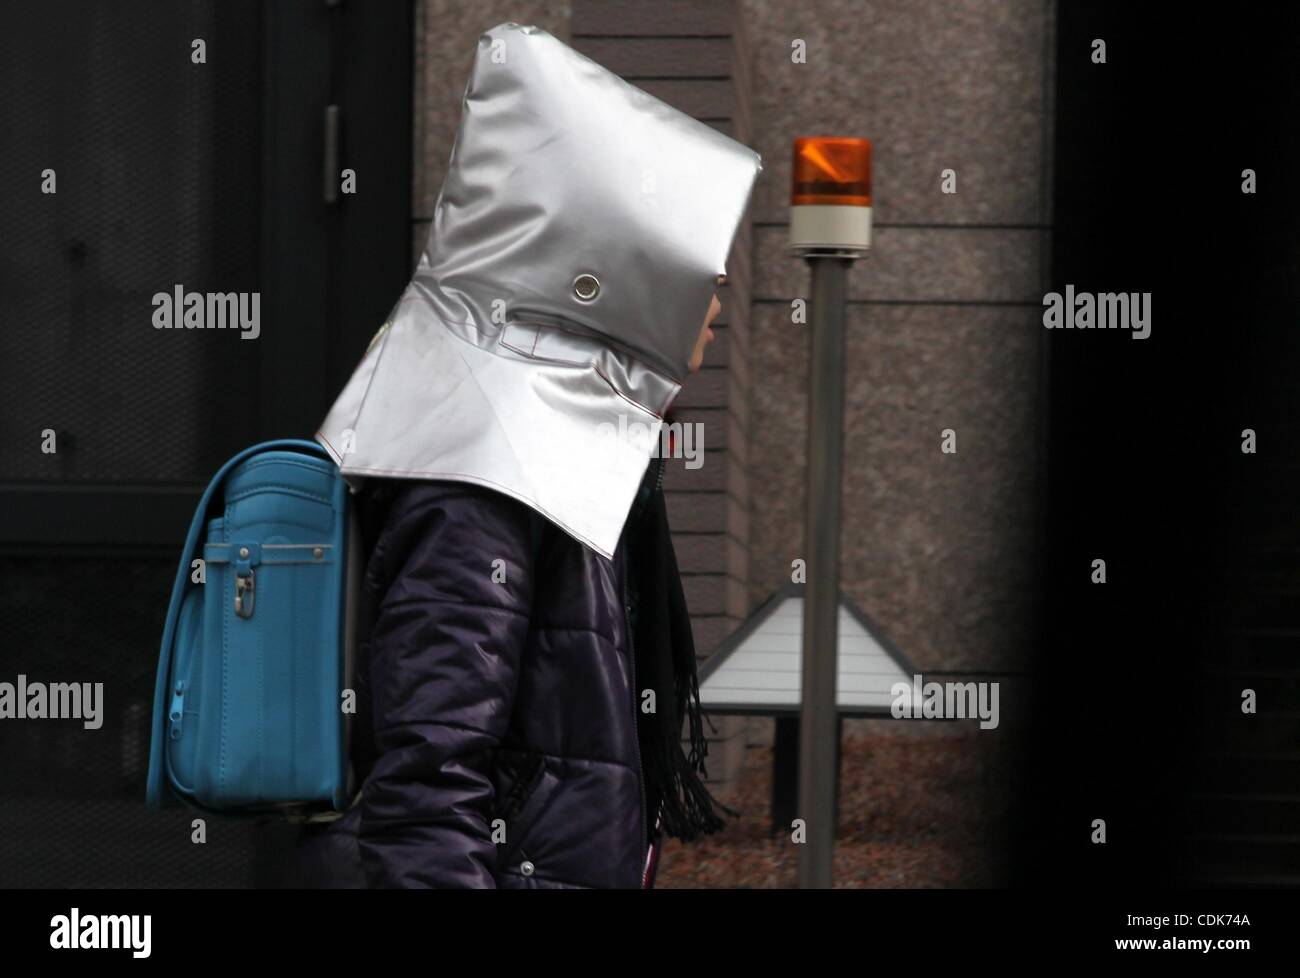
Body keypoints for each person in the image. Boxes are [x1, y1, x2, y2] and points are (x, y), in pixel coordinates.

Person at [283, 22, 761, 889]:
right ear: (611, 273)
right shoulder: (484, 478)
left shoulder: (550, 461)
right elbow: (427, 787)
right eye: (702, 273)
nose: (720, 299)